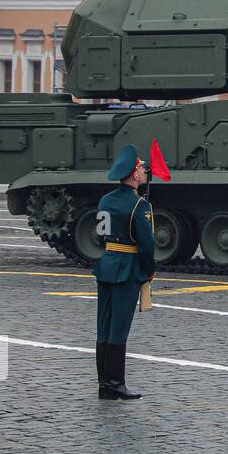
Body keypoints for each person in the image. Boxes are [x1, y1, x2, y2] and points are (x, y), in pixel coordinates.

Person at [94, 144, 154, 401]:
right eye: (141, 168)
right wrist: (149, 271)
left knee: (103, 327)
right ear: (133, 175)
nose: (144, 171)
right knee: (119, 328)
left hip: (106, 265)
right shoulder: (140, 205)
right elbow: (147, 245)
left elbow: (100, 236)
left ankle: (103, 384)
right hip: (128, 269)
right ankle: (116, 384)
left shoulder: (105, 200)